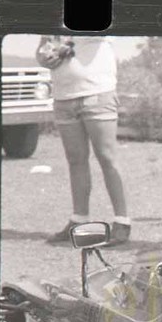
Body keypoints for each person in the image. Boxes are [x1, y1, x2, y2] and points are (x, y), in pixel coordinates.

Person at [37, 36, 132, 245]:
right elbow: (42, 48)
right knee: (75, 160)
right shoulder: (52, 20)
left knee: (107, 157)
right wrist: (44, 57)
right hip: (63, 96)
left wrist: (62, 47)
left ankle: (122, 222)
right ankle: (79, 220)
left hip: (97, 92)